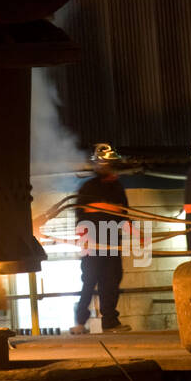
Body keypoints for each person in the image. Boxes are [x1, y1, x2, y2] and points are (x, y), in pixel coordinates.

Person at [70, 143, 132, 334]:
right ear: (97, 164)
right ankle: (80, 322)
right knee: (89, 280)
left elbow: (125, 215)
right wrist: (84, 238)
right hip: (93, 243)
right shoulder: (87, 188)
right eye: (104, 164)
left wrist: (133, 233)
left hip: (112, 242)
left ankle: (110, 322)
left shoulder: (117, 188)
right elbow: (79, 217)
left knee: (111, 281)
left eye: (110, 164)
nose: (107, 168)